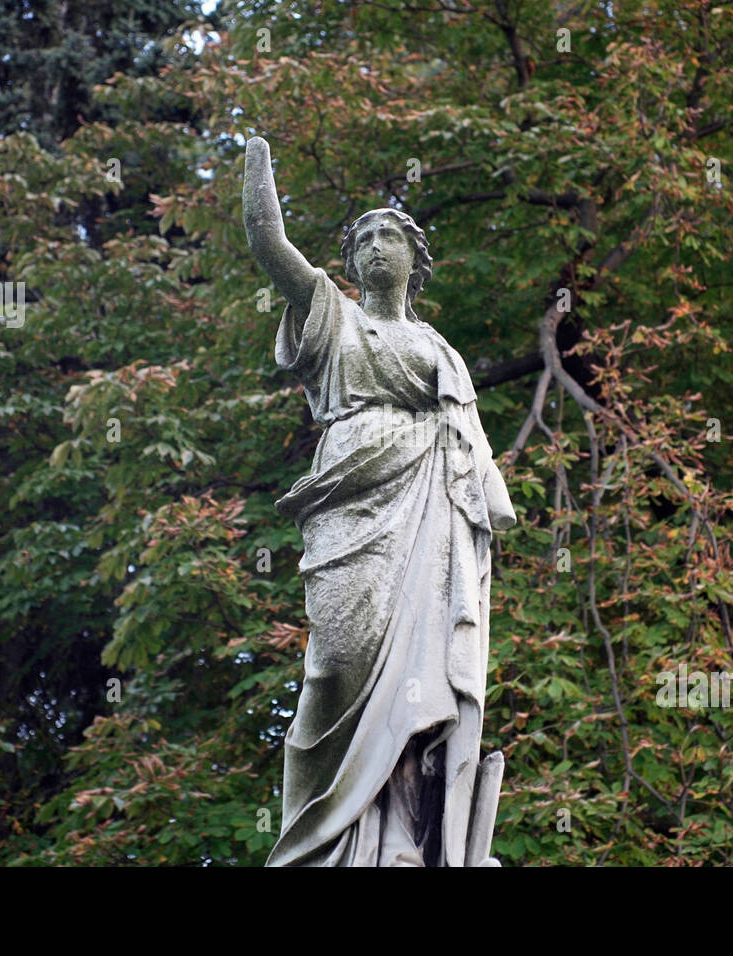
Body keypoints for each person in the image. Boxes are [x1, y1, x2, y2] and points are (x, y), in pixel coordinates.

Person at [242, 136, 516, 866]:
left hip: (430, 519)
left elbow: (470, 453)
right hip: (350, 513)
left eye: (387, 234)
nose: (373, 246)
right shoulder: (334, 317)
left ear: (414, 260)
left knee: (420, 688)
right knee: (337, 664)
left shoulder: (438, 348)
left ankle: (399, 838)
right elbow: (271, 246)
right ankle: (324, 837)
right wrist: (259, 167)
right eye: (361, 238)